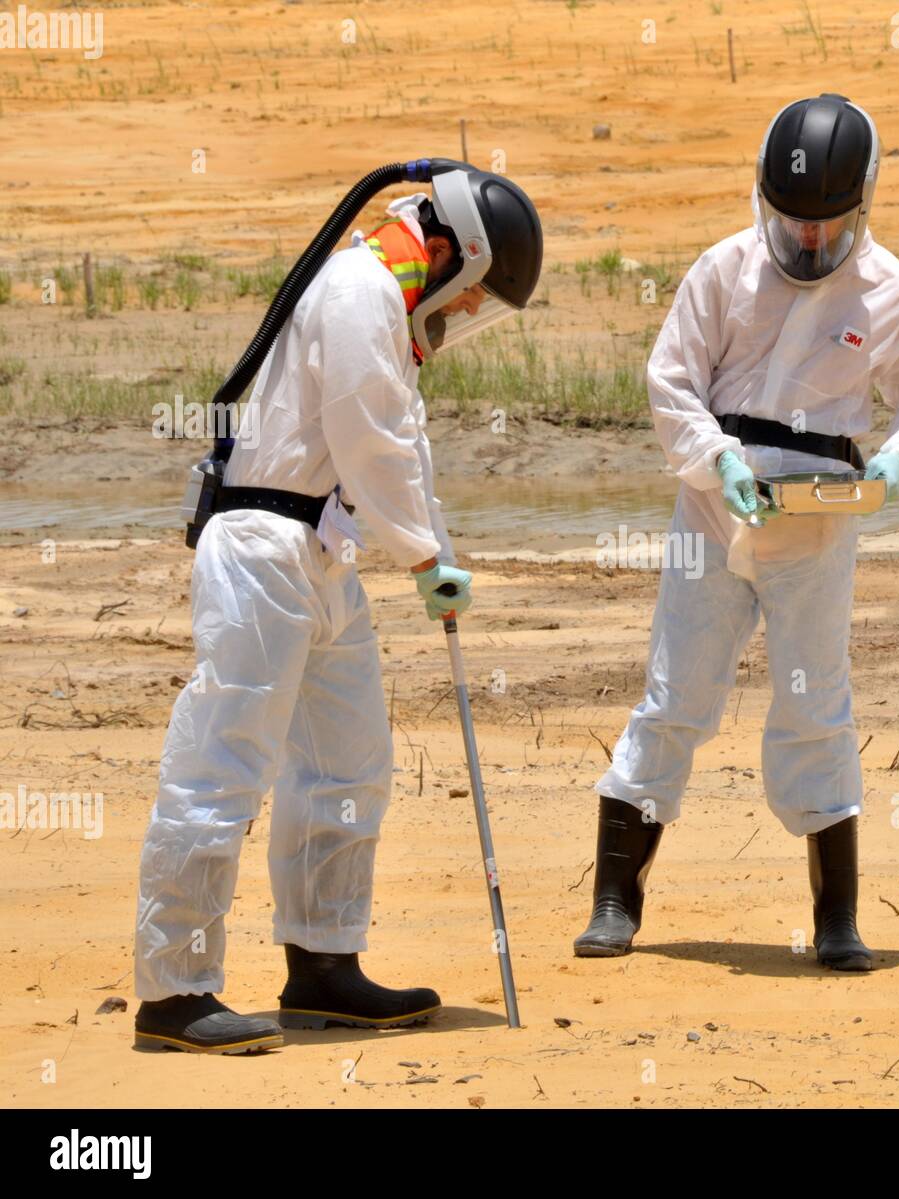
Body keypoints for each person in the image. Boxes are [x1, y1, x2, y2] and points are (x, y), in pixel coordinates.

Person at [134, 165, 543, 1053]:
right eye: (473, 297)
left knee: (348, 765)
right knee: (223, 763)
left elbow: (398, 441)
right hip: (263, 551)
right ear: (446, 255)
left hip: (321, 559)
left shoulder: (384, 303)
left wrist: (425, 544)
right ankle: (174, 990)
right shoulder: (359, 285)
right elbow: (370, 436)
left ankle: (323, 963)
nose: (468, 314)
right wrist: (425, 555)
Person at [575, 94, 899, 971]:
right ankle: (614, 900)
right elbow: (671, 382)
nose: (809, 242)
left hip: (820, 524)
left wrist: (897, 461)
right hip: (715, 509)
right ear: (762, 199)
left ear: (863, 206)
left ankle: (838, 920)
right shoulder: (722, 271)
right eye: (793, 224)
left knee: (816, 702)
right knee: (675, 690)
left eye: (828, 226)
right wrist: (722, 464)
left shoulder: (893, 292)